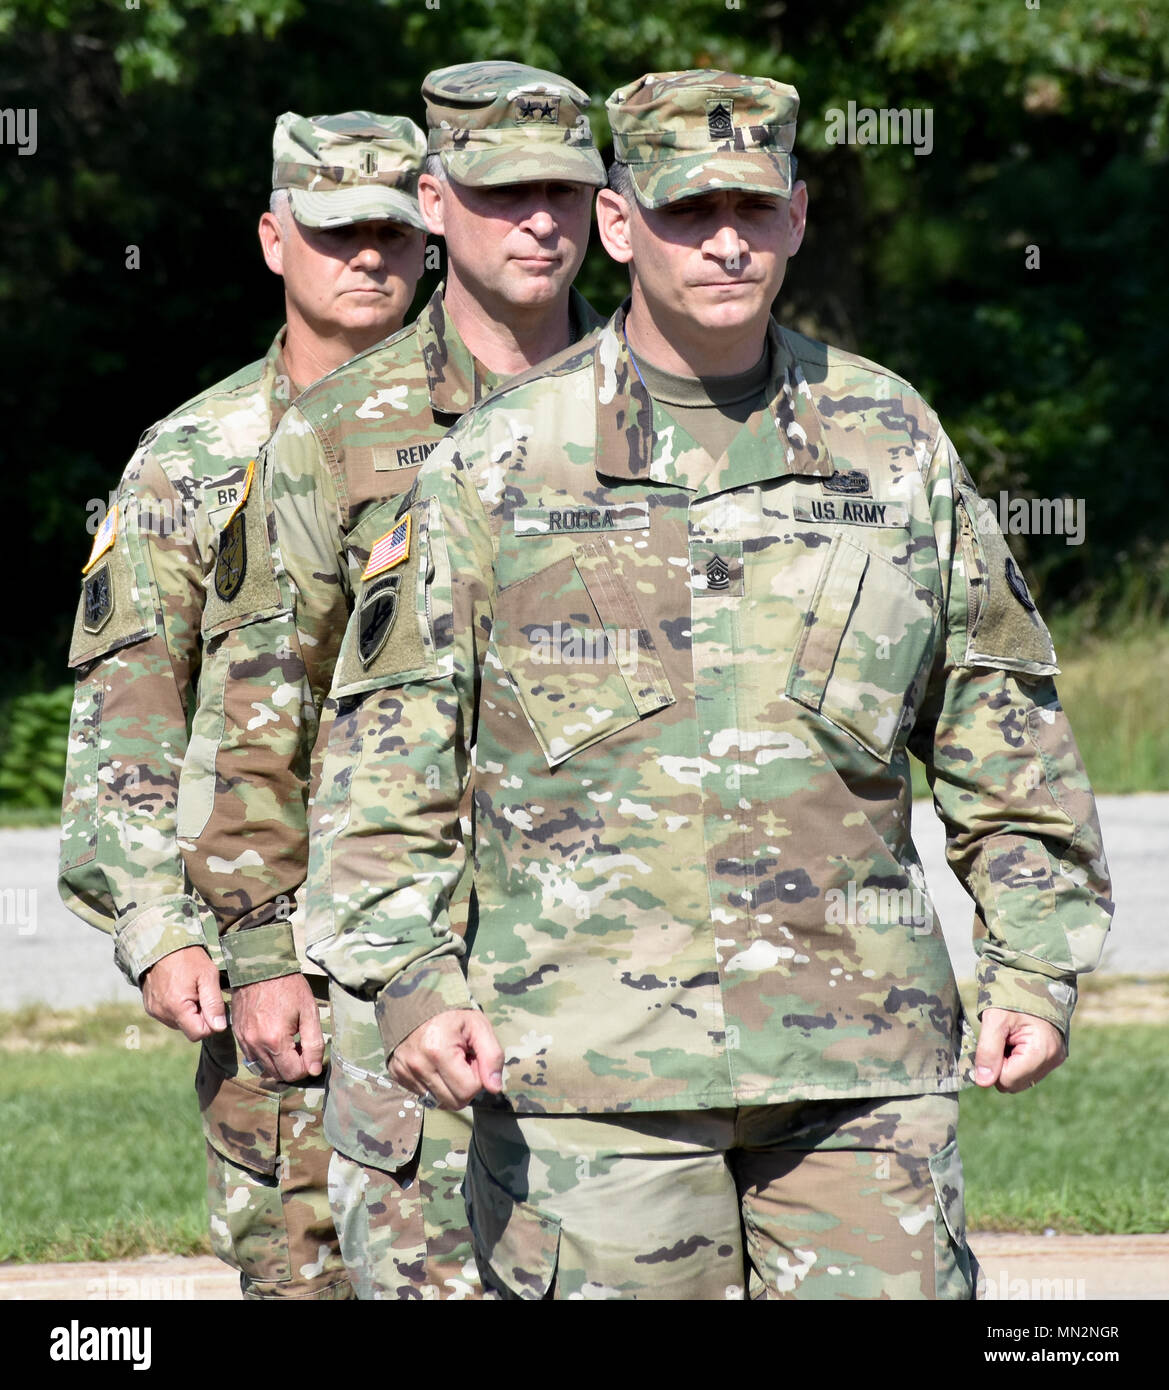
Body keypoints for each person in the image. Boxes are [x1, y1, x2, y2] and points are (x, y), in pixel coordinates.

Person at [306, 69, 1114, 1301]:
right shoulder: (501, 465)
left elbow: (1000, 727)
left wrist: (1035, 965)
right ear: (620, 225)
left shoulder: (890, 441)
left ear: (797, 215)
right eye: (687, 212)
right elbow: (386, 765)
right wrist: (411, 984)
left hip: (861, 1077)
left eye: (751, 207)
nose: (724, 240)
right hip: (587, 1081)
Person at [176, 61, 606, 1299]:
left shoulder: (664, 409)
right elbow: (259, 710)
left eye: (566, 191)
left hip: (621, 981)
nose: (539, 221)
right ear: (438, 200)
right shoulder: (339, 431)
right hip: (402, 976)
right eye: (502, 190)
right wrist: (257, 946)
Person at [58, 110, 429, 1300]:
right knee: (306, 1275)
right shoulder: (194, 458)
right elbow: (130, 721)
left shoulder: (500, 434)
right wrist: (158, 926)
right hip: (276, 959)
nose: (367, 256)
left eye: (391, 231)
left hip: (454, 947)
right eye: (336, 233)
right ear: (275, 239)